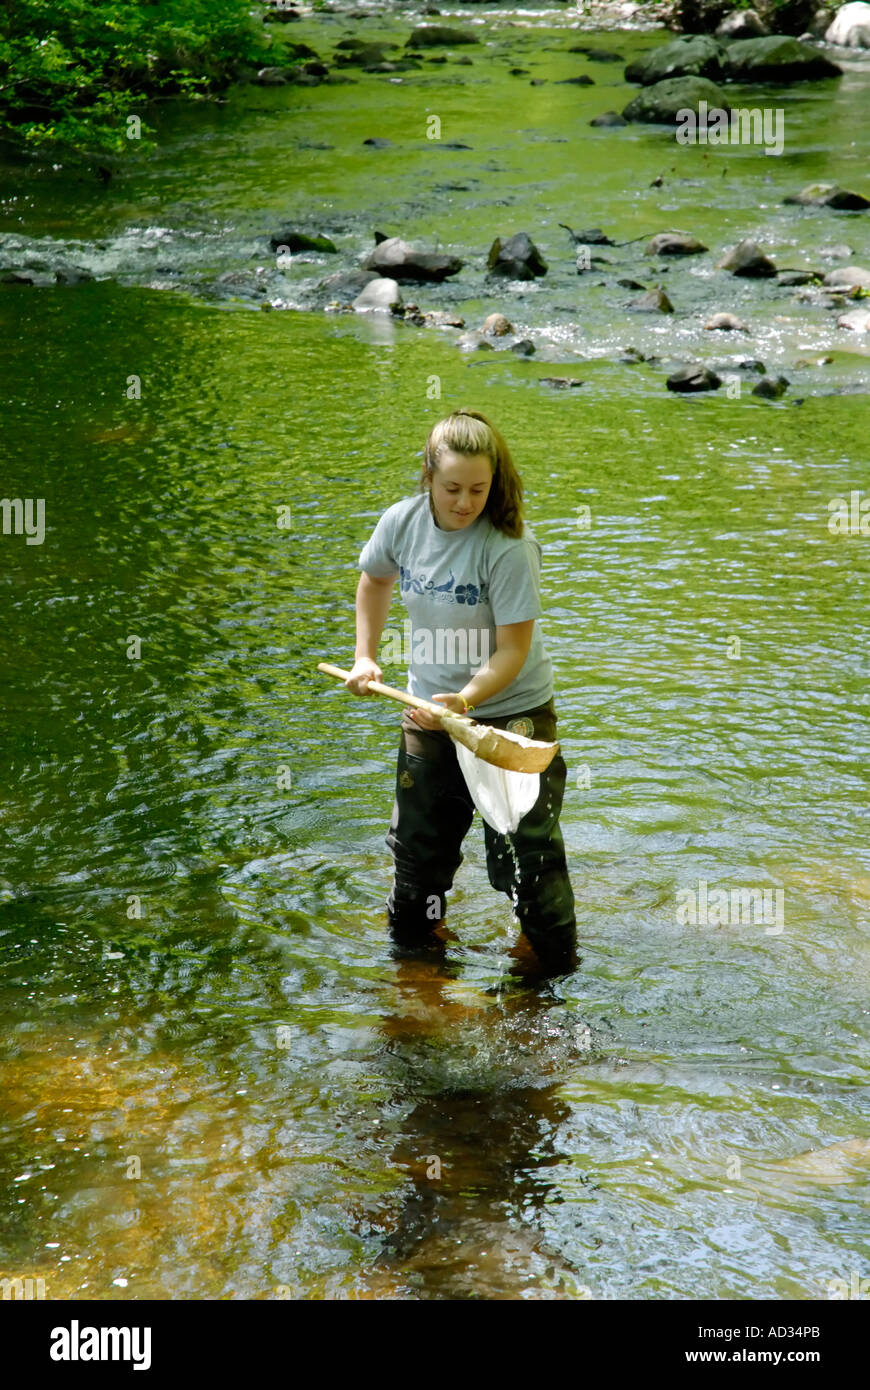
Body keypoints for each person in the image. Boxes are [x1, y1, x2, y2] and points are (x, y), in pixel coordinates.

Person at [345, 409, 576, 976]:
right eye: (452, 488)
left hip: (509, 719)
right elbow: (374, 579)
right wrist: (366, 656)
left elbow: (512, 651)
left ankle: (549, 973)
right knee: (417, 856)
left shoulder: (509, 545)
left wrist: (465, 701)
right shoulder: (401, 523)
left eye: (479, 488)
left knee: (528, 856)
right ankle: (420, 978)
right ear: (428, 476)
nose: (465, 502)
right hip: (427, 713)